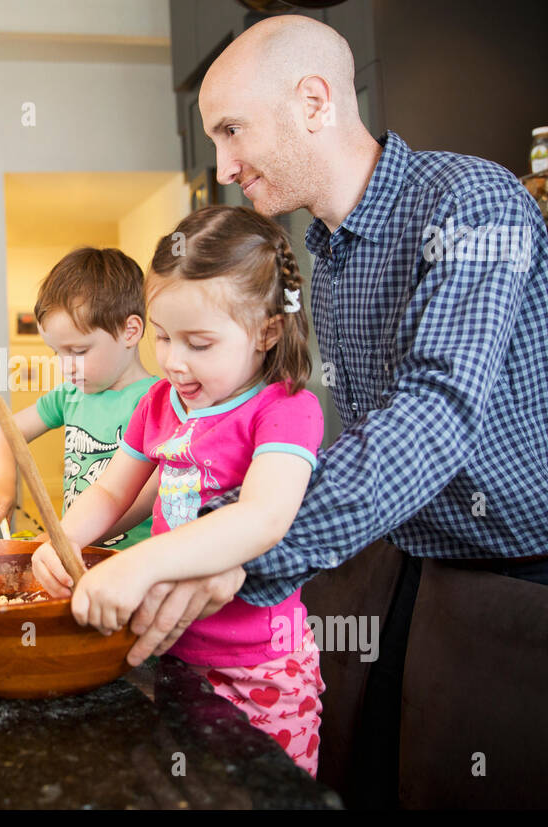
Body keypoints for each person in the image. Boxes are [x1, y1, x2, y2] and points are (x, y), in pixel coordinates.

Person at [164, 15, 548, 804]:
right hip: (436, 573)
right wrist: (225, 521)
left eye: (231, 131)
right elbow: (360, 446)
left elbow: (431, 417)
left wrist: (241, 546)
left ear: (314, 101)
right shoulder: (327, 260)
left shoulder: (471, 202)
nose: (222, 168)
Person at [31, 206, 326, 777]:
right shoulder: (159, 403)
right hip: (168, 657)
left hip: (260, 670)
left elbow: (264, 517)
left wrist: (139, 564)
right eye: (164, 338)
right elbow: (113, 494)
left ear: (268, 330)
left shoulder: (286, 410)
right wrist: (60, 540)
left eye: (200, 343)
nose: (174, 362)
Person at [0, 247, 158, 548]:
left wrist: (72, 534)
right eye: (58, 353)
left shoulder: (159, 402)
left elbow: (149, 496)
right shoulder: (70, 395)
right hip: (76, 552)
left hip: (132, 562)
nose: (66, 367)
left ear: (130, 331)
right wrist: (3, 480)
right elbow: (7, 432)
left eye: (79, 351)